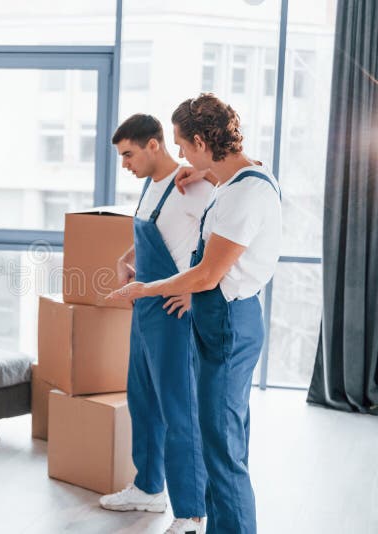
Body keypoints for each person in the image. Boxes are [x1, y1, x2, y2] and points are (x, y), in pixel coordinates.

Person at [108, 94, 282, 534]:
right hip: (214, 315)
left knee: (219, 446)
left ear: (203, 141)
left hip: (220, 317)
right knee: (215, 436)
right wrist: (203, 169)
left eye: (184, 145)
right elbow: (236, 172)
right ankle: (194, 512)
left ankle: (203, 519)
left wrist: (150, 288)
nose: (179, 153)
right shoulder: (236, 180)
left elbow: (206, 273)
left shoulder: (241, 194)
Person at [99, 114, 212, 534]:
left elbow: (218, 239)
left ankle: (191, 512)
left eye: (128, 154)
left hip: (173, 315)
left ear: (154, 145)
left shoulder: (194, 186)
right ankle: (148, 488)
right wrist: (127, 258)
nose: (125, 163)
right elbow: (154, 228)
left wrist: (195, 290)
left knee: (179, 411)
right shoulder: (152, 185)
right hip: (144, 309)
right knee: (142, 400)